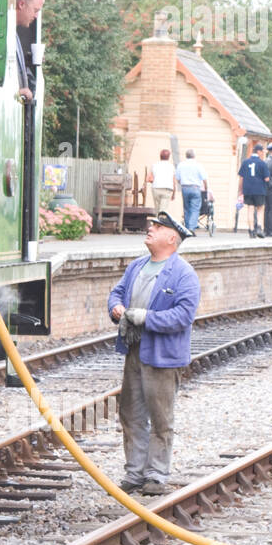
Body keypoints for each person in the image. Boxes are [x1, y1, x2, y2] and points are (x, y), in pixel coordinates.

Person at [107, 211, 200, 495]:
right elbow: (117, 292)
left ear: (172, 238)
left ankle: (156, 474)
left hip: (162, 356)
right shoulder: (136, 267)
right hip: (134, 351)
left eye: (157, 227)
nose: (150, 228)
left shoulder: (184, 274)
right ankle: (134, 473)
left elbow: (183, 316)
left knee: (161, 418)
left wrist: (144, 317)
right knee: (131, 414)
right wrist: (116, 308)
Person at [14, 0, 44, 103]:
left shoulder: (13, 35)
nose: (36, 16)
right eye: (35, 10)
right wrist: (17, 93)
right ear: (21, 4)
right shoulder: (4, 34)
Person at [238, 143, 269, 238]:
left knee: (250, 209)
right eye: (262, 152)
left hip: (248, 189)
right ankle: (259, 227)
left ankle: (251, 230)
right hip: (259, 189)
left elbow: (241, 178)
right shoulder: (262, 163)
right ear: (259, 152)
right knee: (260, 208)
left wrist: (240, 190)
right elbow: (267, 178)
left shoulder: (245, 162)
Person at [175, 149, 209, 232]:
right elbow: (204, 179)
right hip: (195, 188)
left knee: (186, 208)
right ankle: (191, 227)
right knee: (195, 208)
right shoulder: (198, 165)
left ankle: (187, 227)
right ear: (194, 156)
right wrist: (206, 188)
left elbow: (178, 179)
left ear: (186, 156)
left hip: (185, 187)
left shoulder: (181, 165)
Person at [146, 148, 177, 214]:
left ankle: (157, 222)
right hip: (167, 189)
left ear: (160, 156)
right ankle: (161, 222)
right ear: (169, 157)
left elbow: (148, 179)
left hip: (156, 188)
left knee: (157, 209)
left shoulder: (154, 165)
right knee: (163, 209)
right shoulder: (171, 167)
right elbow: (174, 182)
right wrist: (174, 193)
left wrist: (155, 180)